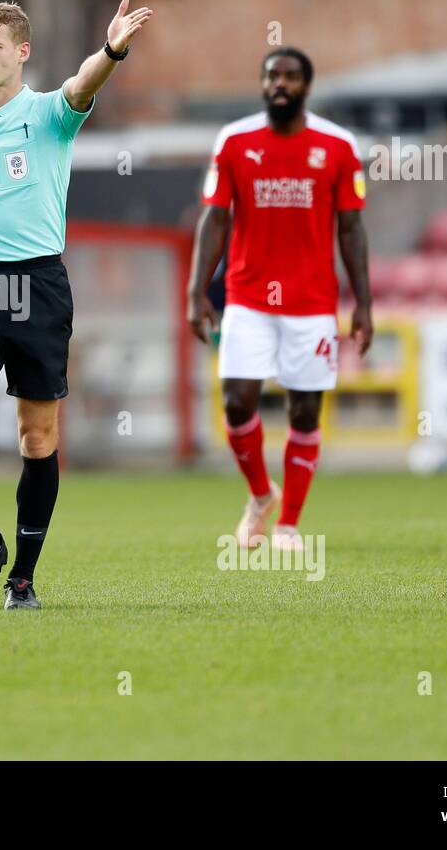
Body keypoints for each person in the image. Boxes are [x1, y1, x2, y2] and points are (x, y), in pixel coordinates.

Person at [0, 0, 153, 609]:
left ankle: (23, 576)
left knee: (36, 437)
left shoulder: (48, 115)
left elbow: (83, 82)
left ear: (21, 52)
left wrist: (112, 50)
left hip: (38, 286)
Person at [188, 47, 372, 551]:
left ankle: (288, 525)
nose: (280, 85)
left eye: (290, 77)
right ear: (263, 83)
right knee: (236, 402)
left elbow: (352, 228)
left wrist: (364, 302)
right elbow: (215, 218)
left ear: (306, 86)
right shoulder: (235, 140)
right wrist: (196, 290)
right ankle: (260, 495)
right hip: (248, 298)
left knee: (305, 412)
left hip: (312, 303)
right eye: (272, 76)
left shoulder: (338, 146)